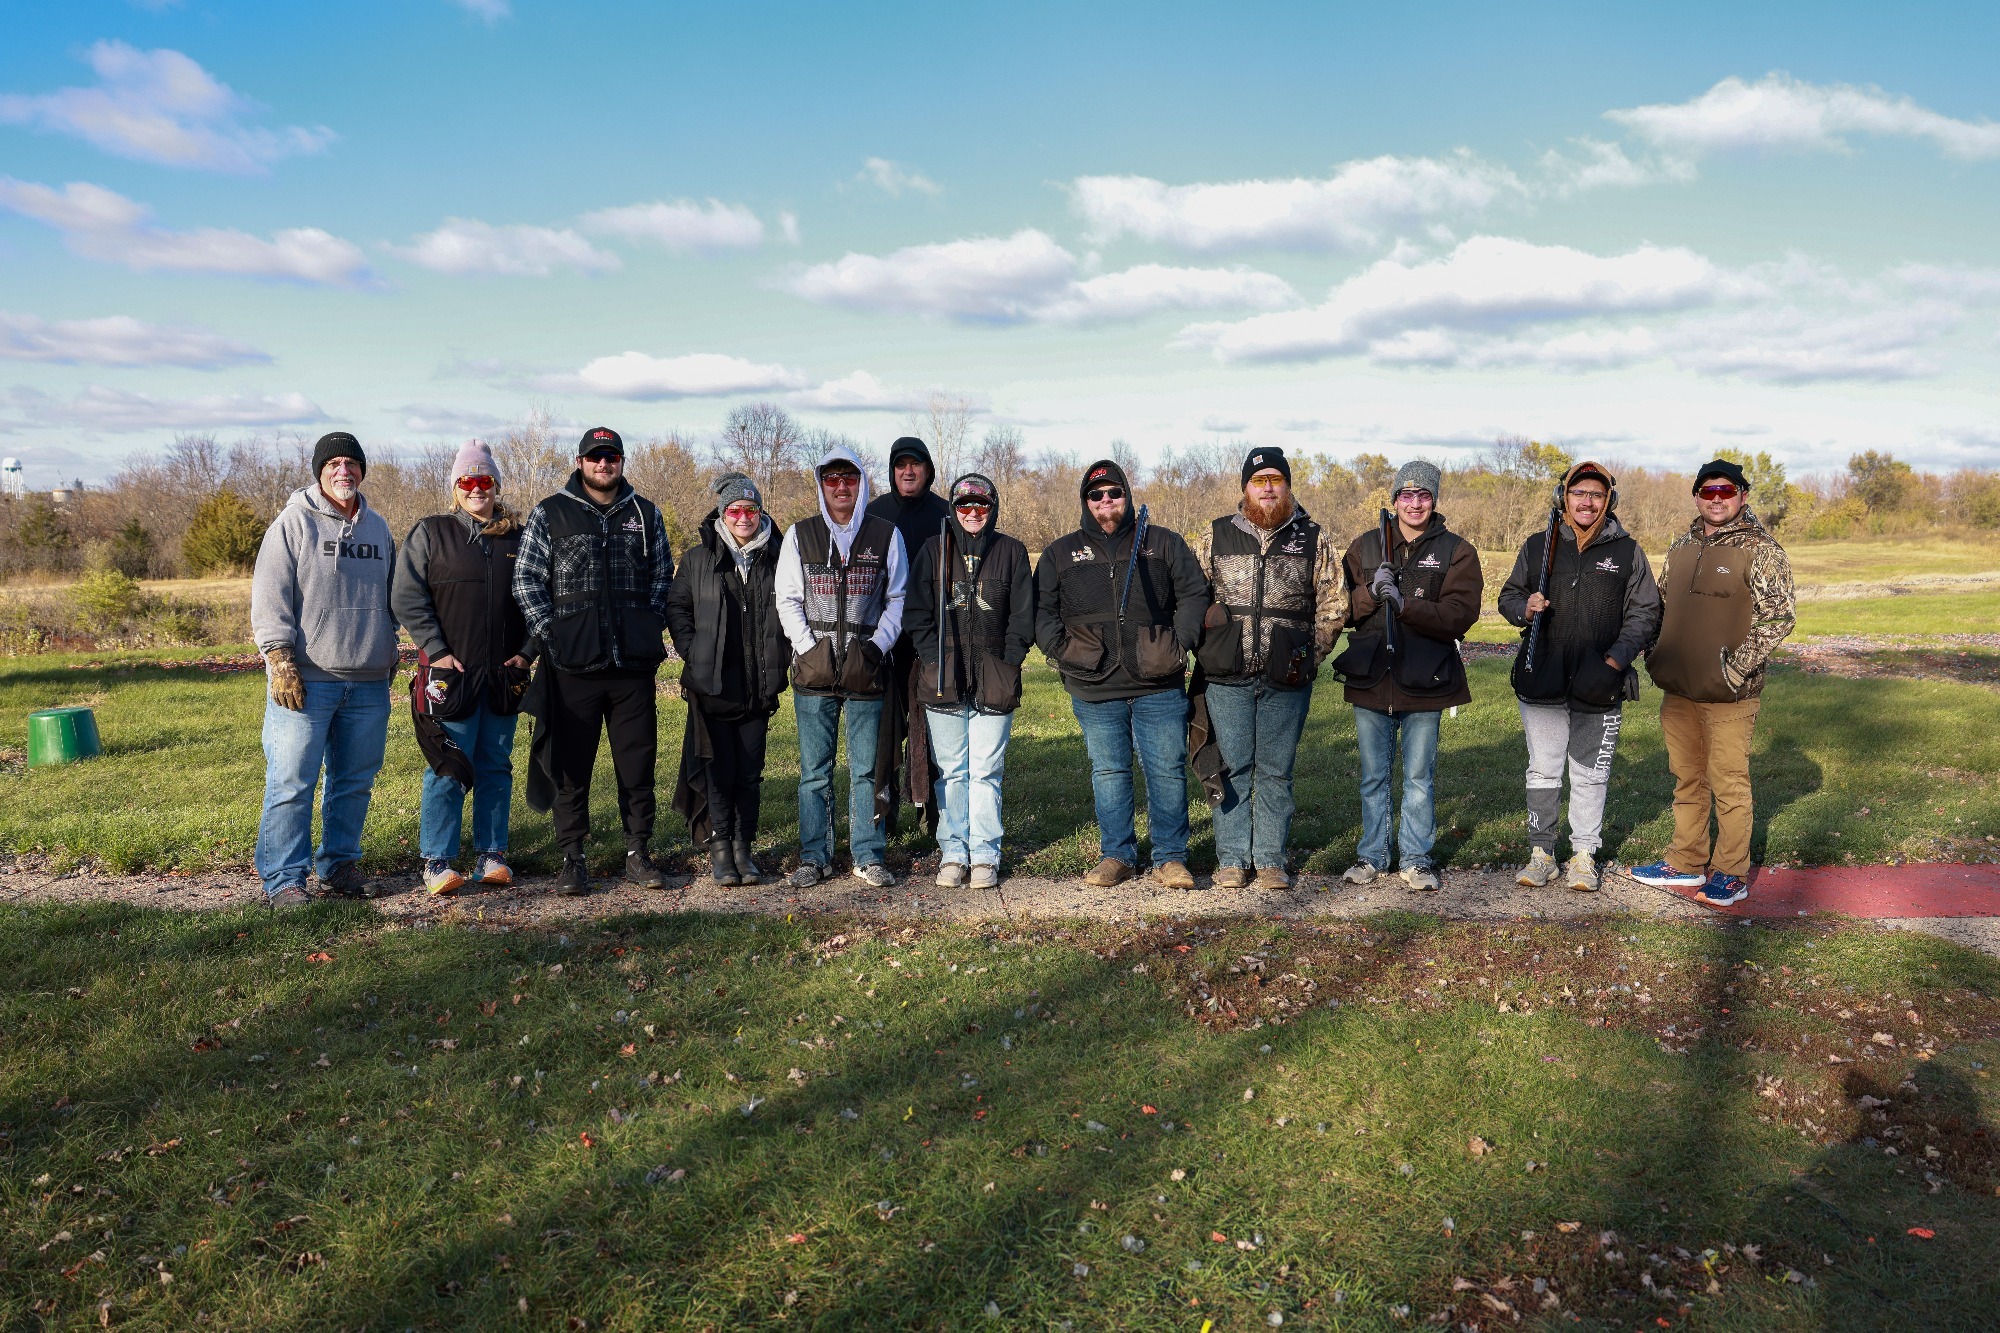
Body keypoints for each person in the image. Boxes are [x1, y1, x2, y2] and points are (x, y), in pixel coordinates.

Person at [512, 427, 675, 897]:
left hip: (631, 668)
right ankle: (572, 858)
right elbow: (526, 581)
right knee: (570, 766)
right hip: (572, 667)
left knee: (637, 763)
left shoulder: (645, 515)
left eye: (612, 456)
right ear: (580, 461)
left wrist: (648, 625)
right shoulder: (551, 513)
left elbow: (663, 576)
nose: (604, 465)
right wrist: (552, 636)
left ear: (621, 461)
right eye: (595, 457)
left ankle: (638, 852)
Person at [1034, 458, 1210, 890]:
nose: (1106, 501)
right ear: (1086, 502)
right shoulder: (1060, 552)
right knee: (1109, 771)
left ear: (1127, 497)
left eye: (1114, 493)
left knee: (1166, 768)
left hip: (1158, 680)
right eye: (1096, 495)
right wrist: (1062, 650)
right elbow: (1040, 613)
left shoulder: (1162, 542)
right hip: (1093, 683)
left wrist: (1178, 642)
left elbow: (1194, 593)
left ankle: (1171, 857)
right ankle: (1117, 855)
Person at [1631, 459, 1795, 908]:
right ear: (1697, 497)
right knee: (1687, 778)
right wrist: (1654, 650)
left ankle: (1730, 873)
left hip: (1729, 694)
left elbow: (1780, 617)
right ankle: (1684, 862)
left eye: (1727, 491)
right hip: (1678, 689)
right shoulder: (1682, 545)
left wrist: (1736, 668)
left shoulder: (1761, 550)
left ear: (1743, 495)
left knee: (1728, 783)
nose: (1717, 499)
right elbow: (1661, 604)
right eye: (1708, 492)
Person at [249, 430, 399, 908]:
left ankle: (337, 866)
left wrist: (389, 645)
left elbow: (394, 598)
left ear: (361, 471)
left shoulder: (378, 529)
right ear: (319, 471)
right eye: (333, 463)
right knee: (292, 781)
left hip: (369, 683)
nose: (343, 470)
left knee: (354, 781)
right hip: (307, 681)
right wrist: (278, 657)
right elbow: (269, 596)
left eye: (351, 463)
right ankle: (284, 880)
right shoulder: (292, 524)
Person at [1495, 462, 1661, 892]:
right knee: (1543, 769)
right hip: (1542, 675)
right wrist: (1524, 608)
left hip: (1601, 679)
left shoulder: (1627, 551)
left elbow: (1645, 611)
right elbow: (1508, 597)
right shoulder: (1538, 546)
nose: (1587, 501)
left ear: (1609, 501)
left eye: (1597, 495)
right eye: (1578, 493)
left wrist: (1616, 662)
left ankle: (1584, 855)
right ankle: (1542, 853)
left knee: (1590, 772)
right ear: (1563, 498)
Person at [1194, 447, 1345, 889]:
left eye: (1276, 479)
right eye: (1259, 481)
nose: (1268, 488)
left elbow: (1334, 603)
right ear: (1245, 487)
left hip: (1288, 677)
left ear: (1288, 486)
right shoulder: (1215, 535)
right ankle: (1231, 860)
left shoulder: (1314, 538)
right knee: (1233, 766)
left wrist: (1306, 658)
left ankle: (1271, 860)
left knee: (1276, 770)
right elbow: (1191, 596)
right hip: (1227, 676)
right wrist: (1207, 645)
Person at [391, 438, 533, 896]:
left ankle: (492, 855)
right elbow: (406, 597)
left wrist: (527, 652)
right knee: (449, 764)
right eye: (468, 481)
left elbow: (541, 599)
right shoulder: (432, 533)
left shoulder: (520, 537)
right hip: (449, 675)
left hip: (503, 675)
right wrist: (435, 647)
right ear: (456, 486)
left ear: (495, 485)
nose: (477, 488)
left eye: (485, 480)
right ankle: (437, 861)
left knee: (495, 763)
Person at [1333, 460, 1482, 892]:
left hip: (1427, 679)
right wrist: (1369, 594)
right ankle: (1372, 855)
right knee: (1373, 776)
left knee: (1419, 777)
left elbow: (1461, 614)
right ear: (1394, 499)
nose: (1414, 504)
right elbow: (1337, 609)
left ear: (1434, 500)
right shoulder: (1365, 547)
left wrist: (1405, 605)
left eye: (1424, 495)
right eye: (1406, 495)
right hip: (1370, 678)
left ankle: (1416, 859)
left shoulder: (1457, 550)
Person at [776, 444, 907, 888]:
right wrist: (808, 647)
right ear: (822, 485)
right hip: (814, 672)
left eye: (848, 479)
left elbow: (898, 599)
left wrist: (875, 647)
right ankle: (815, 856)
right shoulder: (801, 534)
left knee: (867, 769)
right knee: (815, 771)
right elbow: (788, 598)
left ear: (861, 484)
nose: (840, 487)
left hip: (866, 670)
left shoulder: (886, 534)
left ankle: (868, 854)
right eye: (832, 479)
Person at [904, 473, 1036, 889]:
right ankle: (953, 852)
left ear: (992, 508)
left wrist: (1008, 661)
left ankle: (984, 854)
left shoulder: (1011, 552)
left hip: (994, 678)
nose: (973, 513)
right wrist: (932, 658)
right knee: (953, 771)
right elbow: (916, 613)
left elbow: (1023, 616)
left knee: (986, 769)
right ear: (953, 510)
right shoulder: (933, 550)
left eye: (981, 506)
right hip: (943, 678)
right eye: (964, 506)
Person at [666, 472, 787, 886]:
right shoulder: (700, 559)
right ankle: (720, 850)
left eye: (749, 509)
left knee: (749, 773)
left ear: (760, 512)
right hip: (713, 685)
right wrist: (692, 652)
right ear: (722, 514)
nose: (742, 517)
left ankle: (743, 849)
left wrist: (783, 657)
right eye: (734, 510)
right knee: (718, 772)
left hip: (758, 685)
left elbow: (793, 609)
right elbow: (676, 607)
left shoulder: (779, 555)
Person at [866, 435, 952, 834]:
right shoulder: (876, 513)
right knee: (888, 731)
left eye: (915, 464)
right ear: (892, 471)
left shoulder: (946, 514)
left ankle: (934, 814)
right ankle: (886, 811)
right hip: (887, 642)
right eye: (900, 465)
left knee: (935, 729)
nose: (908, 471)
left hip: (933, 641)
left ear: (928, 469)